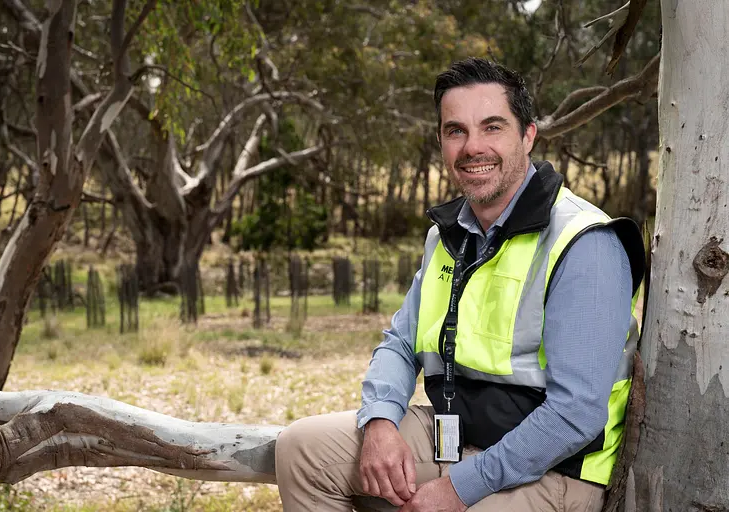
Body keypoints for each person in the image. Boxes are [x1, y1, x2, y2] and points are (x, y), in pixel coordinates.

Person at [274, 57, 646, 512]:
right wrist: (379, 422)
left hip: (554, 471)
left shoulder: (584, 243)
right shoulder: (445, 236)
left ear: (527, 135)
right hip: (453, 440)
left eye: (492, 127)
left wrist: (459, 488)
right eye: (456, 131)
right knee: (301, 449)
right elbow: (399, 343)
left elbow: (576, 416)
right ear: (441, 141)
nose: (473, 147)